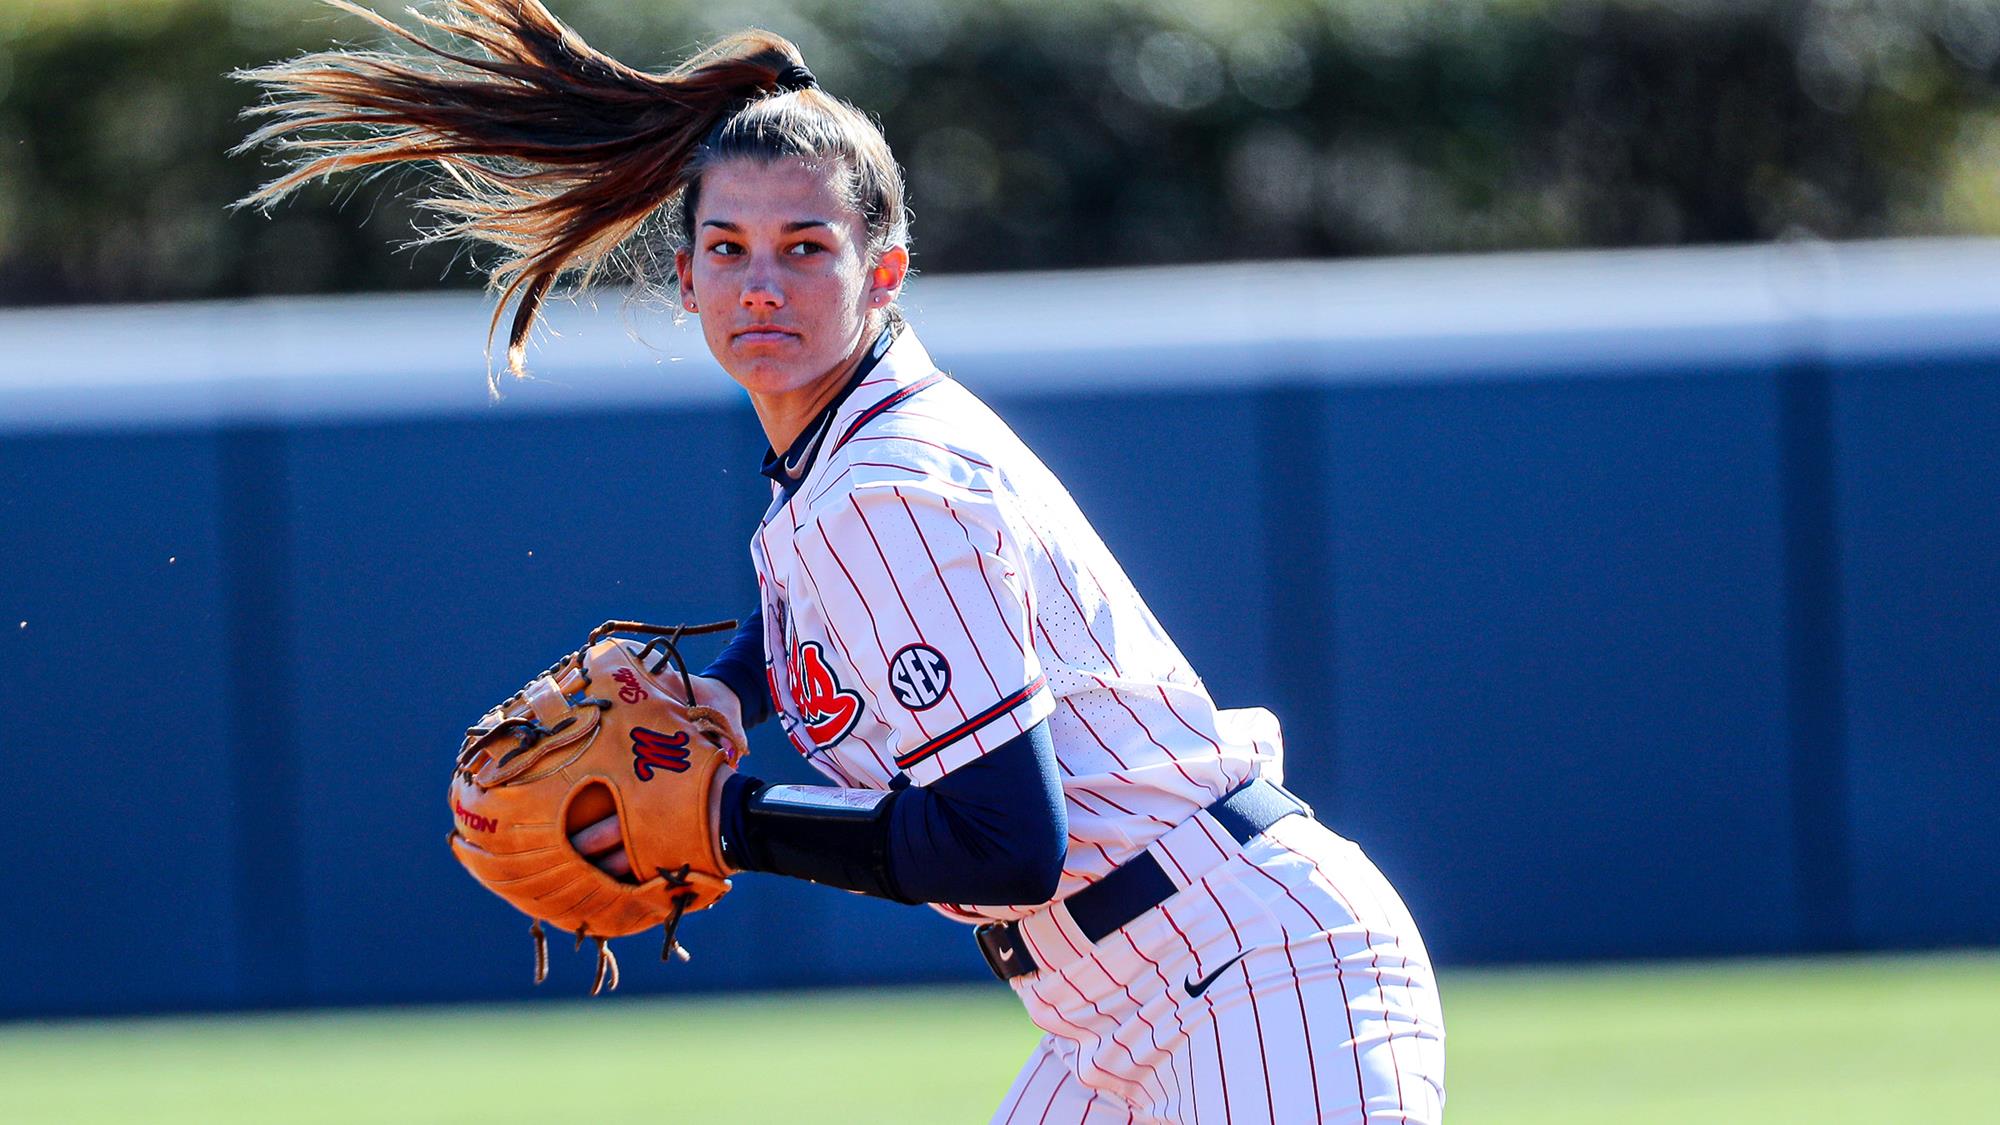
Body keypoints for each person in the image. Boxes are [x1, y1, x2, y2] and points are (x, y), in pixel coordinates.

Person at [235, 3, 1446, 1121]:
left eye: (805, 247)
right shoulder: (846, 458)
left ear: (883, 270)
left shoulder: (884, 485)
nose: (763, 284)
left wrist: (730, 821)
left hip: (1245, 980)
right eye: (731, 248)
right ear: (688, 275)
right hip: (1133, 996)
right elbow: (816, 624)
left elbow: (1004, 841)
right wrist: (729, 694)